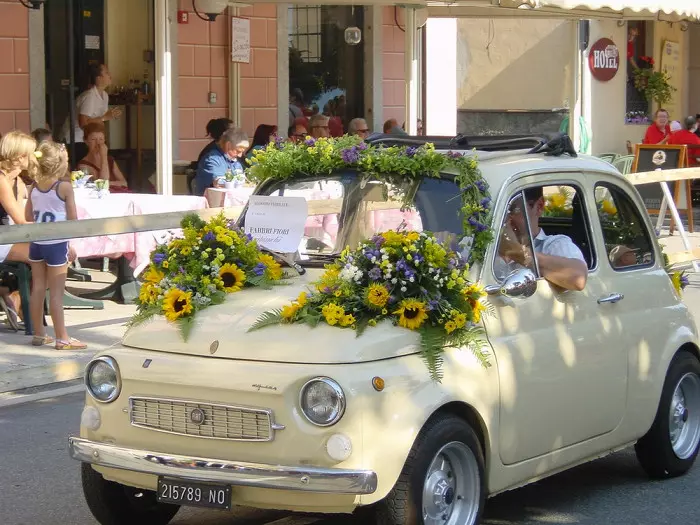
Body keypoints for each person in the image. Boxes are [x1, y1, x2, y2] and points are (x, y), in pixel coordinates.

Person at [25, 141, 86, 350]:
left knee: (38, 288)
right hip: (57, 242)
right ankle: (62, 338)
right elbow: (73, 218)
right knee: (57, 292)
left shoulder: (33, 185)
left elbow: (27, 216)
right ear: (61, 163)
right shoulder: (64, 187)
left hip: (37, 242)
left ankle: (39, 334)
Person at [497, 187, 587, 291]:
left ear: (539, 206)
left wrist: (517, 252)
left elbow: (578, 279)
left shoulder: (554, 245)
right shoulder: (484, 246)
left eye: (513, 210)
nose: (505, 219)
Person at [60, 63, 121, 164]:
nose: (110, 75)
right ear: (98, 78)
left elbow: (100, 118)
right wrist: (104, 118)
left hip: (90, 138)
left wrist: (111, 115)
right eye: (106, 72)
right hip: (76, 140)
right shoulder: (89, 96)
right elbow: (83, 123)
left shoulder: (104, 95)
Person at [0, 131, 37, 266]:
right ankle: (39, 287)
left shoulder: (17, 181)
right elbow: (21, 221)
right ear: (21, 157)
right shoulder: (1, 180)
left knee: (65, 251)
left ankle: (42, 287)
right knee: (47, 253)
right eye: (32, 153)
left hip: (7, 234)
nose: (34, 157)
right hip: (3, 239)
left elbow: (25, 218)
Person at [194, 127, 249, 196]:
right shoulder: (212, 159)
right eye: (238, 151)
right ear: (228, 145)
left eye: (242, 152)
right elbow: (219, 182)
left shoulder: (235, 162)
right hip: (210, 203)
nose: (240, 156)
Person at [76, 122, 129, 190]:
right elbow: (102, 185)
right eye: (93, 139)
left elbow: (124, 183)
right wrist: (103, 157)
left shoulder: (110, 160)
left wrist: (109, 183)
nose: (98, 143)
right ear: (86, 141)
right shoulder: (83, 165)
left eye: (101, 139)